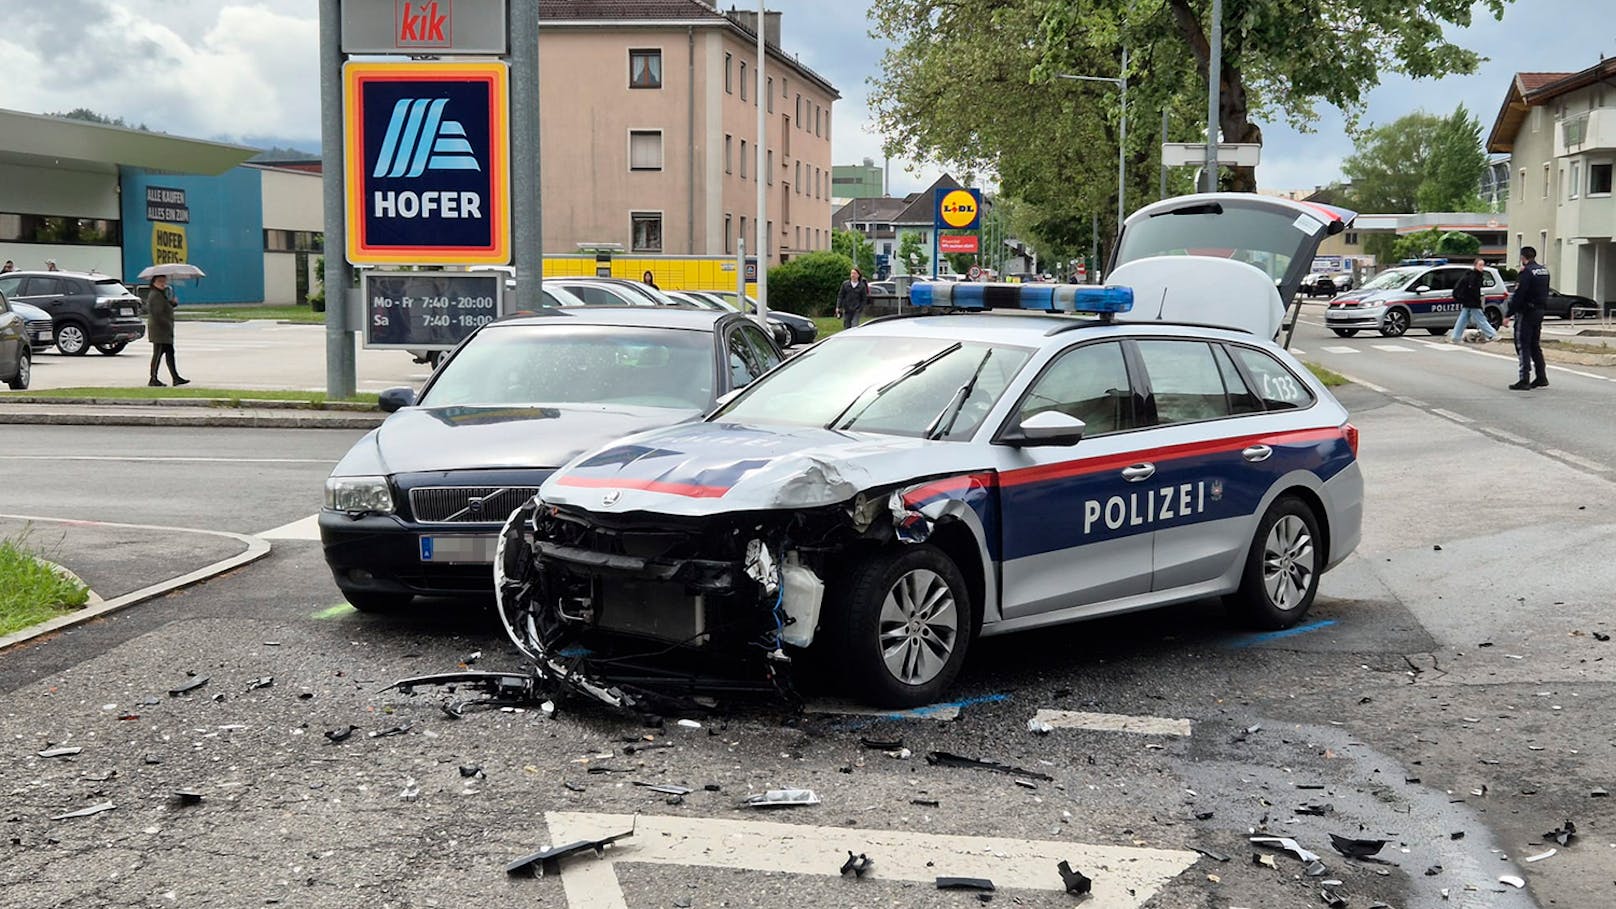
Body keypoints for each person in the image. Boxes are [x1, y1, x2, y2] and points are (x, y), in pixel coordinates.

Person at [1505, 246, 1550, 390]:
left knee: (1523, 345)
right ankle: (1541, 377)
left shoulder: (1526, 272)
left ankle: (1524, 379)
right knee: (1535, 345)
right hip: (1539, 311)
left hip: (1526, 312)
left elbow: (1519, 295)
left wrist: (1508, 314)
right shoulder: (1544, 271)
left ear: (1523, 257)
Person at [143, 274, 188, 387]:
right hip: (159, 330)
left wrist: (172, 303)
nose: (163, 283)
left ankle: (175, 378)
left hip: (164, 330)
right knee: (158, 354)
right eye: (160, 281)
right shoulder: (155, 295)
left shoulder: (161, 294)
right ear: (154, 282)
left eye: (164, 281)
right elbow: (157, 313)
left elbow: (165, 307)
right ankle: (153, 379)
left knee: (170, 353)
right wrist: (167, 323)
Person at [1448, 257, 1499, 344]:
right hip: (1472, 302)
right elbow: (1474, 290)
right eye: (1480, 265)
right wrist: (1477, 301)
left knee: (1463, 319)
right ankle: (1492, 334)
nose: (1482, 267)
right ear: (1475, 265)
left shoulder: (1471, 275)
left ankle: (1455, 337)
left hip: (1467, 300)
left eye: (1483, 265)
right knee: (1481, 319)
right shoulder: (1474, 276)